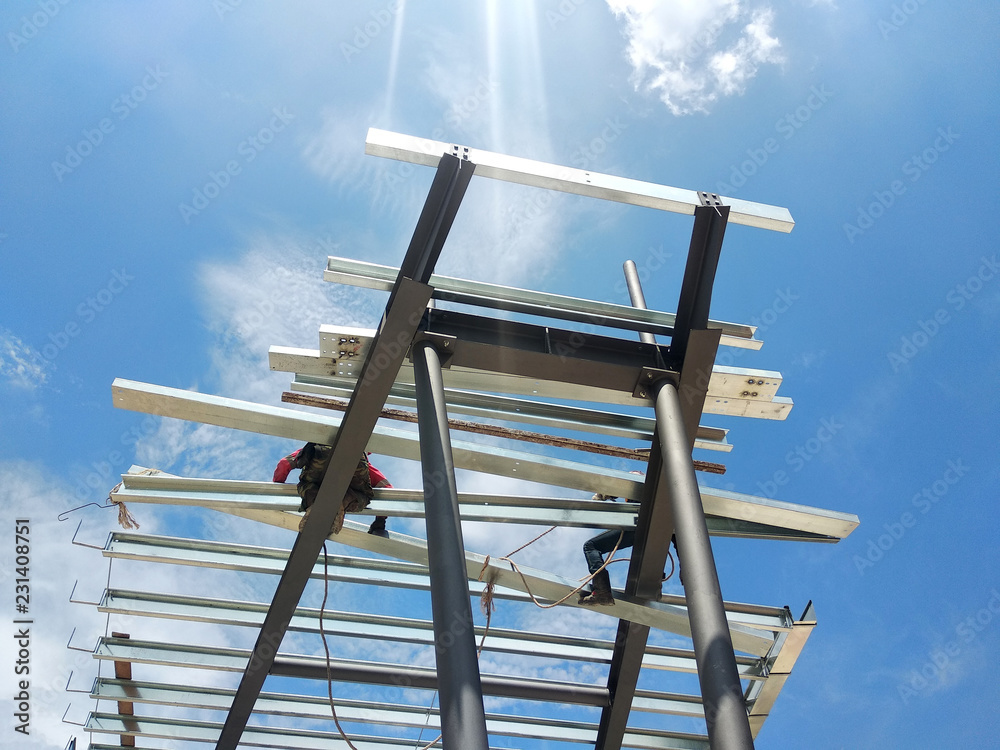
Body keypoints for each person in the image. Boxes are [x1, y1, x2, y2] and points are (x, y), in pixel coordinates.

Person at [578, 486, 680, 607]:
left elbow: (620, 485)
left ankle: (602, 591)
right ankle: (653, 583)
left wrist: (603, 494)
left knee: (591, 546)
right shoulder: (667, 504)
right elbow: (676, 536)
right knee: (651, 552)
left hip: (639, 523)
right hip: (654, 530)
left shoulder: (638, 482)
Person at [273, 443, 391, 537]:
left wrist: (277, 493)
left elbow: (284, 464)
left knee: (306, 487)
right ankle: (343, 503)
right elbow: (387, 490)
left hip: (318, 464)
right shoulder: (360, 456)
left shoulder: (312, 447)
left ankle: (314, 501)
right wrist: (380, 522)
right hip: (355, 466)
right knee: (362, 496)